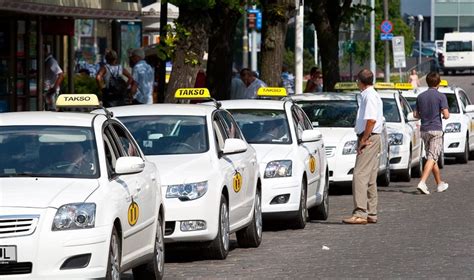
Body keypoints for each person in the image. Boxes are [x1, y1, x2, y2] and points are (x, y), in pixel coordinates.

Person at [343, 69, 383, 225]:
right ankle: (371, 212)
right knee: (370, 177)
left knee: (359, 175)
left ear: (360, 81)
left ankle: (360, 213)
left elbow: (371, 120)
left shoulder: (369, 96)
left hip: (369, 137)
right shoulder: (370, 95)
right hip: (373, 136)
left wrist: (364, 139)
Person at [414, 72, 450, 194]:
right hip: (436, 129)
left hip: (424, 130)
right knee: (433, 157)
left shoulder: (420, 96)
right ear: (439, 83)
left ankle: (439, 184)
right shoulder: (441, 96)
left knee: (431, 156)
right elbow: (446, 115)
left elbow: (415, 115)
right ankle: (422, 182)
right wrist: (442, 114)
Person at [44, 46, 64, 111]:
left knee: (52, 110)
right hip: (48, 90)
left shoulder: (51, 61)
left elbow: (61, 74)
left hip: (50, 91)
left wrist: (54, 89)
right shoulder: (47, 61)